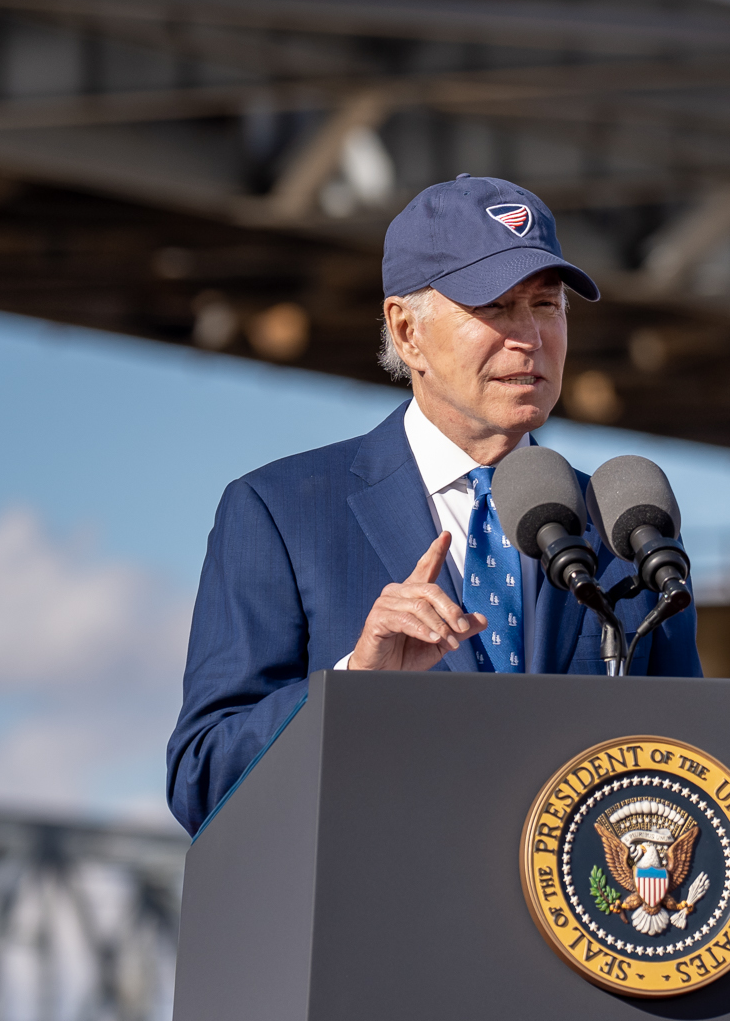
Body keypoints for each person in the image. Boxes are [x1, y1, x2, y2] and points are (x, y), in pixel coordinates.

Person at [166, 174, 701, 836]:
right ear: (406, 331)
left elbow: (691, 767)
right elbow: (203, 780)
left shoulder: (627, 523)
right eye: (496, 306)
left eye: (546, 305)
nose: (530, 337)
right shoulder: (278, 514)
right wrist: (354, 683)